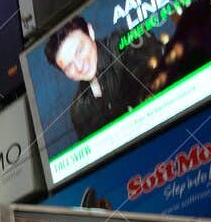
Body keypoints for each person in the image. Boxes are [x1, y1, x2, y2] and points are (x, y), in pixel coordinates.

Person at [44, 15, 142, 145]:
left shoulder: (123, 43)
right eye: (68, 66)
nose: (79, 66)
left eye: (79, 51)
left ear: (91, 32)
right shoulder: (78, 111)